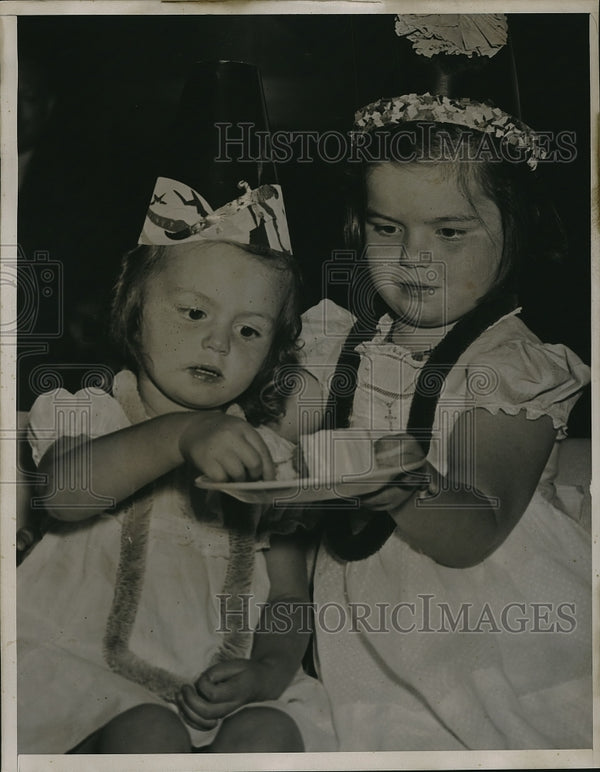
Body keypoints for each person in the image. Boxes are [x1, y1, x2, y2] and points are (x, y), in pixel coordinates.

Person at [295, 94, 592, 750]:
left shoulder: (512, 366)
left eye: (450, 232)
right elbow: (282, 448)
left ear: (517, 230)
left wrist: (401, 485)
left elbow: (474, 532)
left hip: (495, 642)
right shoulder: (334, 345)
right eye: (387, 228)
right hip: (362, 643)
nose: (414, 258)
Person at [17, 178, 334, 754]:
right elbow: (62, 495)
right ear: (133, 310)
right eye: (193, 312)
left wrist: (266, 671)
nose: (218, 344)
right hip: (87, 680)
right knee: (148, 732)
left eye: (249, 330)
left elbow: (288, 597)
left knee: (271, 734)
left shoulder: (269, 459)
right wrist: (180, 435)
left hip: (226, 686)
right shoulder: (90, 415)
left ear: (274, 352)